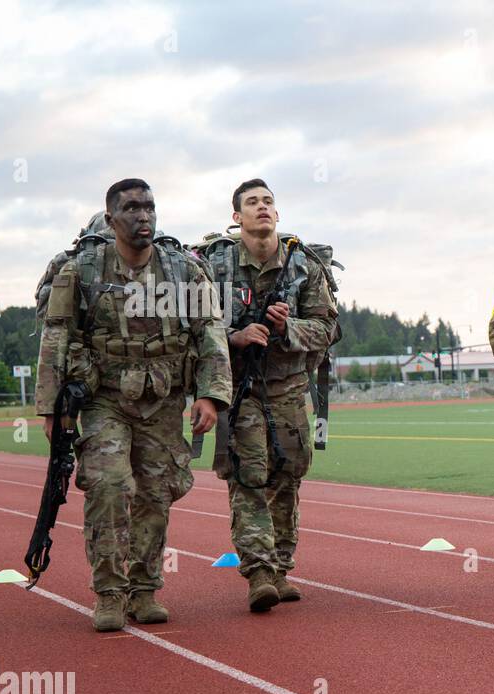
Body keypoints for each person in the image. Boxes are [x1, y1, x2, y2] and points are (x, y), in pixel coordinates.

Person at [37, 179, 231, 630]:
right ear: (111, 219)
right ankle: (108, 592)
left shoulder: (184, 269)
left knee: (155, 493)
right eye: (131, 208)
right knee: (110, 486)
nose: (143, 216)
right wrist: (52, 408)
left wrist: (210, 394)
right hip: (105, 397)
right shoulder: (81, 271)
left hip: (163, 398)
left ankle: (144, 590)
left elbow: (210, 331)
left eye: (149, 207)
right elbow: (56, 337)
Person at [203, 179, 339, 612]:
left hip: (288, 390)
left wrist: (288, 328)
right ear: (236, 217)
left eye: (268, 202)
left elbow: (328, 328)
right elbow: (194, 329)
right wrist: (235, 336)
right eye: (251, 203)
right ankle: (259, 572)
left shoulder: (303, 264)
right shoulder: (215, 265)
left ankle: (280, 568)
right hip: (241, 391)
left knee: (287, 477)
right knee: (249, 478)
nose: (262, 208)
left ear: (277, 214)